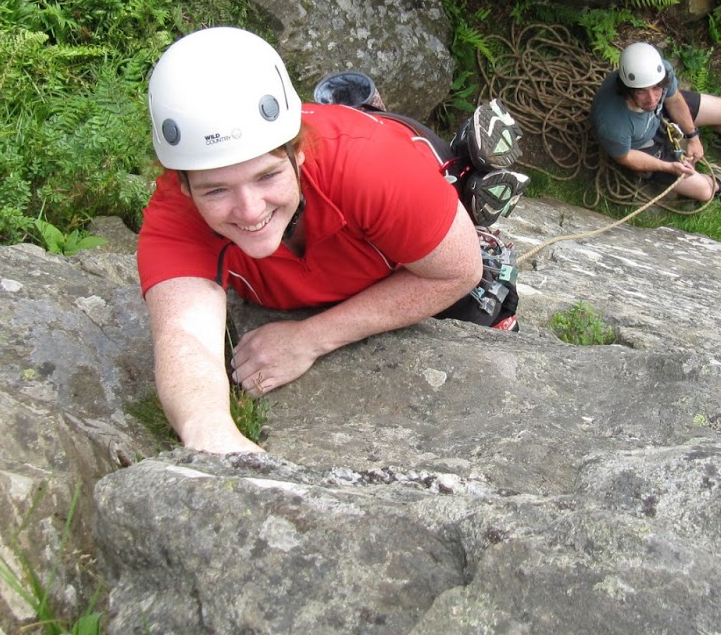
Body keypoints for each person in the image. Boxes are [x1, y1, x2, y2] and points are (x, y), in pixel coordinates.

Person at [138, 27, 521, 454]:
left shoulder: (371, 168)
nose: (249, 210)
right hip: (362, 218)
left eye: (267, 176)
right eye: (216, 190)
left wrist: (310, 339)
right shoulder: (176, 215)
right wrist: (211, 436)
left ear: (298, 153)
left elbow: (458, 271)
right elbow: (184, 338)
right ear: (184, 187)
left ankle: (443, 171)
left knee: (480, 301)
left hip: (391, 165)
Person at [590, 41, 721, 204]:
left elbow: (673, 101)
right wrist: (668, 167)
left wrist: (693, 137)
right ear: (627, 89)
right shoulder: (612, 124)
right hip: (640, 144)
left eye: (656, 88)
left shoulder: (661, 71)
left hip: (659, 116)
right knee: (705, 191)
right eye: (641, 92)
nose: (652, 99)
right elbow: (625, 156)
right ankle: (717, 184)